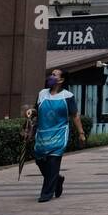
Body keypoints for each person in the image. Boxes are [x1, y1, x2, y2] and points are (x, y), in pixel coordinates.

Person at [26, 69, 84, 203]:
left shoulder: (67, 96)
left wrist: (81, 133)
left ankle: (46, 193)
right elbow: (36, 109)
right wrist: (31, 111)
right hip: (42, 134)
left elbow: (75, 115)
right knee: (40, 161)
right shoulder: (42, 94)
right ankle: (57, 179)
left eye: (54, 75)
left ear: (61, 80)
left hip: (59, 134)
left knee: (53, 162)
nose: (50, 77)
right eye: (51, 74)